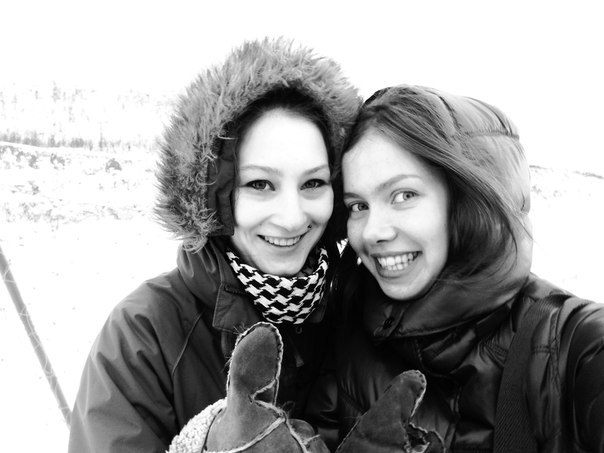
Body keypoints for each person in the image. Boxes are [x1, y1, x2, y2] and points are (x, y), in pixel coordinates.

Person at [68, 38, 360, 452]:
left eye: (313, 183)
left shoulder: (355, 313)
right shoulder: (145, 334)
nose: (293, 217)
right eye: (260, 184)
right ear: (211, 196)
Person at [334, 85, 604, 452]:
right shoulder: (346, 331)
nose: (372, 232)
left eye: (404, 195)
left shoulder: (576, 346)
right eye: (358, 206)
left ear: (467, 202)